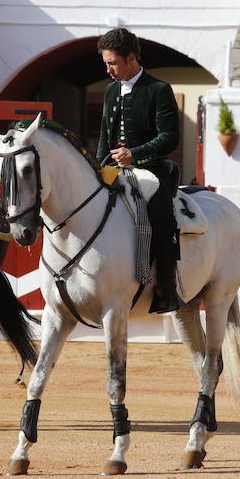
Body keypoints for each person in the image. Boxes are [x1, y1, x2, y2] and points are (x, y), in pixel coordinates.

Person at [96, 27, 182, 313]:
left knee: (161, 216)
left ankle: (166, 288)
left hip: (149, 169)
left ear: (131, 58)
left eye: (113, 63)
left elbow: (169, 136)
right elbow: (103, 136)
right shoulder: (110, 90)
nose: (108, 69)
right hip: (112, 169)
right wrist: (97, 168)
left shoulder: (158, 89)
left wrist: (135, 154)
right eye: (106, 63)